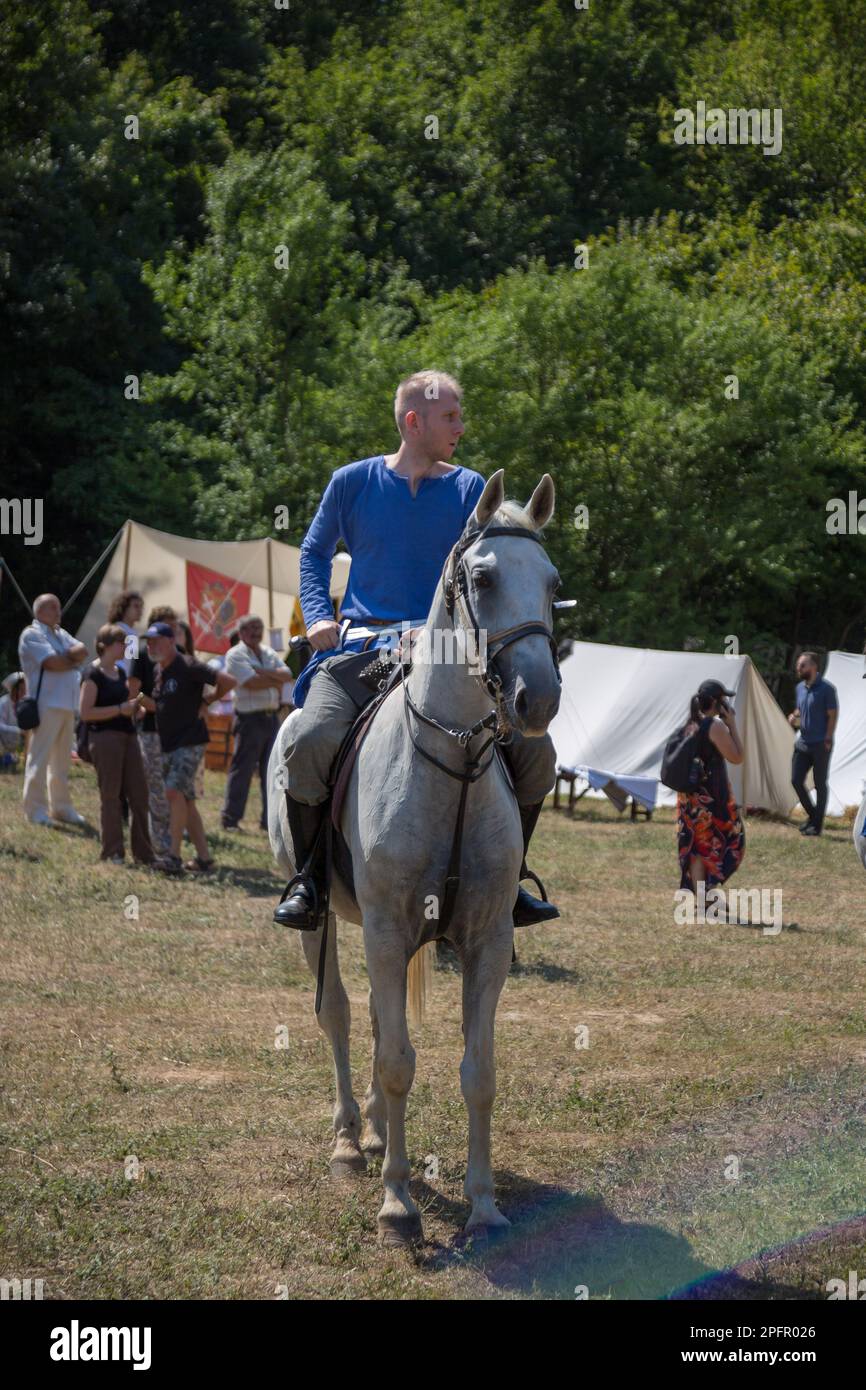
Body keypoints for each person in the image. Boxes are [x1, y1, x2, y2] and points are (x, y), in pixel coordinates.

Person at [274, 369, 558, 931]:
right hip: (362, 648)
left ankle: (511, 878)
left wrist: (438, 634)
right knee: (309, 740)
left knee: (535, 755)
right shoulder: (350, 482)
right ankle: (310, 879)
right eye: (450, 416)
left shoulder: (472, 490)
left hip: (448, 653)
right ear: (414, 421)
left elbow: (479, 578)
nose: (460, 425)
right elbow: (313, 553)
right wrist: (317, 618)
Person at [144, 621, 236, 874]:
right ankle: (204, 860)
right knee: (186, 799)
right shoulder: (158, 671)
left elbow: (227, 681)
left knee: (173, 793)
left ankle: (173, 857)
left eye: (156, 640)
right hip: (170, 743)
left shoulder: (188, 664)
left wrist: (208, 699)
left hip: (191, 740)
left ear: (171, 641)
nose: (151, 645)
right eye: (148, 641)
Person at [79, 624, 155, 865]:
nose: (126, 647)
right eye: (122, 643)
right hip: (105, 739)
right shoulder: (92, 674)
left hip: (128, 736)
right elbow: (86, 713)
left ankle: (143, 853)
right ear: (106, 646)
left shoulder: (120, 673)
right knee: (111, 796)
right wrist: (119, 709)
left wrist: (135, 709)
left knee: (140, 795)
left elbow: (124, 704)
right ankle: (113, 851)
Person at [18, 593, 89, 826]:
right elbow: (51, 663)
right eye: (52, 607)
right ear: (39, 611)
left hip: (67, 704)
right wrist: (70, 659)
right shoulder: (32, 633)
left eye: (58, 607)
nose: (58, 612)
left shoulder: (60, 633)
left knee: (61, 762)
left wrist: (65, 658)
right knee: (39, 758)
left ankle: (61, 807)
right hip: (46, 704)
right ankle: (34, 809)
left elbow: (83, 650)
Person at [676, 679, 745, 913]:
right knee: (732, 839)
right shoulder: (713, 727)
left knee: (697, 848)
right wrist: (732, 724)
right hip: (709, 798)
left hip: (688, 797)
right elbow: (737, 756)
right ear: (716, 703)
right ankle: (705, 896)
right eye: (723, 699)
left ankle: (704, 898)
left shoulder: (690, 724)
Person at [221, 615, 291, 831]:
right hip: (249, 719)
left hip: (271, 717)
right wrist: (273, 678)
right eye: (251, 628)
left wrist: (261, 672)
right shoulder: (235, 654)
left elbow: (287, 674)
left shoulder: (268, 652)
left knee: (273, 771)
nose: (256, 632)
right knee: (242, 770)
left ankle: (268, 820)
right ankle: (230, 819)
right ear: (241, 633)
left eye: (259, 628)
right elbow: (250, 683)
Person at [128, 605, 177, 858]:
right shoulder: (139, 651)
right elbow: (133, 692)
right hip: (150, 731)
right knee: (157, 790)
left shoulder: (178, 657)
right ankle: (160, 847)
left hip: (176, 734)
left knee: (172, 791)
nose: (175, 629)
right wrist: (154, 706)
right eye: (170, 625)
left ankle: (169, 843)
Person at [788, 651, 838, 836]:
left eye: (802, 665)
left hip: (820, 744)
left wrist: (828, 738)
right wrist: (794, 715)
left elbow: (832, 716)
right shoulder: (800, 687)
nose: (798, 668)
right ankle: (813, 817)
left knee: (819, 784)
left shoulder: (827, 689)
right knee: (795, 780)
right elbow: (800, 707)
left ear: (814, 667)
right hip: (802, 743)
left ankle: (816, 826)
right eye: (799, 665)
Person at [107, 590, 144, 674]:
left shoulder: (133, 633)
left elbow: (130, 661)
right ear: (124, 608)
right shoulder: (116, 630)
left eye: (141, 607)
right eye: (136, 606)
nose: (140, 610)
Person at [0, 671, 25, 765]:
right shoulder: (3, 703)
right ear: (14, 689)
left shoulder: (24, 704)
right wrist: (20, 731)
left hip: (13, 745)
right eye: (22, 689)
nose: (24, 692)